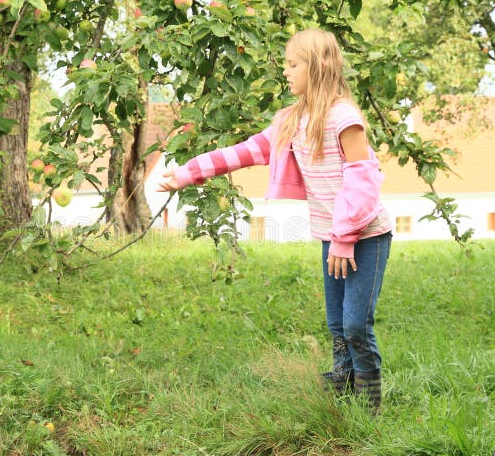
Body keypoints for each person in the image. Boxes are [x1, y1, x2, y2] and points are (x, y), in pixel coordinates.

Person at [157, 28, 393, 414]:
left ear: (318, 67)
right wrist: (186, 173)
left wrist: (345, 237)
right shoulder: (291, 120)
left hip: (366, 235)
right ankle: (344, 390)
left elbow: (363, 182)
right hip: (332, 236)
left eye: (292, 64)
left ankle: (370, 407)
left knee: (355, 324)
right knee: (337, 324)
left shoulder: (345, 118)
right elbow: (247, 151)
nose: (286, 71)